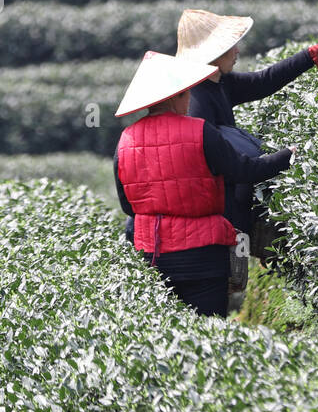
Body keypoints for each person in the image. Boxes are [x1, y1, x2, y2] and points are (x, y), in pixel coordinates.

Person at [112, 50, 295, 317]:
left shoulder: (125, 140)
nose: (190, 98)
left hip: (152, 254)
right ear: (176, 96)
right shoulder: (200, 130)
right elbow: (244, 170)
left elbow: (128, 206)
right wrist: (285, 156)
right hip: (205, 256)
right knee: (208, 333)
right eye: (186, 92)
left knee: (163, 333)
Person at [175, 10, 318, 251]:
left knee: (234, 284)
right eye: (231, 46)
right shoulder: (196, 102)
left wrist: (309, 56)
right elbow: (230, 168)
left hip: (229, 213)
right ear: (214, 53)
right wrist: (286, 157)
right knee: (228, 283)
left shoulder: (220, 82)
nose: (237, 51)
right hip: (218, 220)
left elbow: (263, 81)